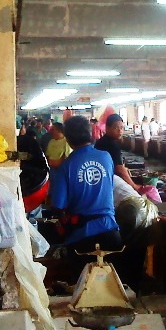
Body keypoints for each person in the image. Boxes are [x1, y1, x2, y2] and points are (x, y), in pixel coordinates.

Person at [48, 116, 121, 278]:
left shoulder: (67, 165)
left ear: (68, 139)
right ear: (90, 134)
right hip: (111, 232)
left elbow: (58, 204)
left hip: (82, 237)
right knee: (112, 288)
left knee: (83, 290)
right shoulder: (106, 158)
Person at [95, 114, 142, 191]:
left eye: (121, 128)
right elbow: (119, 169)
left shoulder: (101, 142)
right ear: (107, 128)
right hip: (110, 182)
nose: (120, 131)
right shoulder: (111, 145)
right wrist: (134, 186)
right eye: (116, 127)